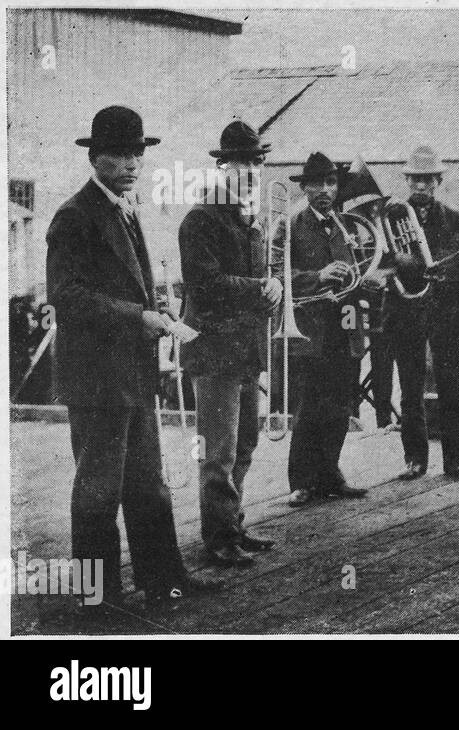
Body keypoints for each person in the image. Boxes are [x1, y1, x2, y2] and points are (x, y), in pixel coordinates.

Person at [46, 106, 219, 604]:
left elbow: (120, 286)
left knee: (147, 482)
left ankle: (164, 579)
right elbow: (67, 295)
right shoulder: (75, 216)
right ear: (94, 157)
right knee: (98, 489)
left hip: (133, 373)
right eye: (120, 154)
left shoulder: (125, 207)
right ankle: (97, 599)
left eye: (137, 153)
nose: (132, 163)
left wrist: (154, 310)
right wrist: (136, 316)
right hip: (98, 377)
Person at [179, 120, 282, 566]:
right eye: (242, 163)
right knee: (217, 452)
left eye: (257, 162)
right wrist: (261, 287)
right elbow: (204, 283)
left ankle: (233, 524)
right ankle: (219, 537)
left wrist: (275, 285)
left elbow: (256, 279)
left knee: (244, 446)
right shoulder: (200, 219)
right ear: (222, 166)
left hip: (244, 350)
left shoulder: (250, 222)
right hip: (214, 351)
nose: (251, 171)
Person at [369, 145, 459, 482]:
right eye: (415, 180)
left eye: (427, 180)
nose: (420, 186)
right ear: (408, 180)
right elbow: (380, 262)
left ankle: (456, 461)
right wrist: (402, 264)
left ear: (437, 182)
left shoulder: (452, 217)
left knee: (450, 388)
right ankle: (415, 460)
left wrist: (441, 272)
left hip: (445, 310)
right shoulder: (390, 217)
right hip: (406, 310)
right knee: (410, 389)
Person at [280, 152, 373, 507]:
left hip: (347, 326)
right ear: (304, 187)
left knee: (339, 406)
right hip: (310, 331)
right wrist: (318, 277)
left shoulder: (350, 226)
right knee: (308, 406)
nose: (324, 190)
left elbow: (359, 272)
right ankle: (301, 482)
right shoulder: (289, 227)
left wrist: (369, 282)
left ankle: (330, 474)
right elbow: (276, 277)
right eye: (317, 183)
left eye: (331, 183)